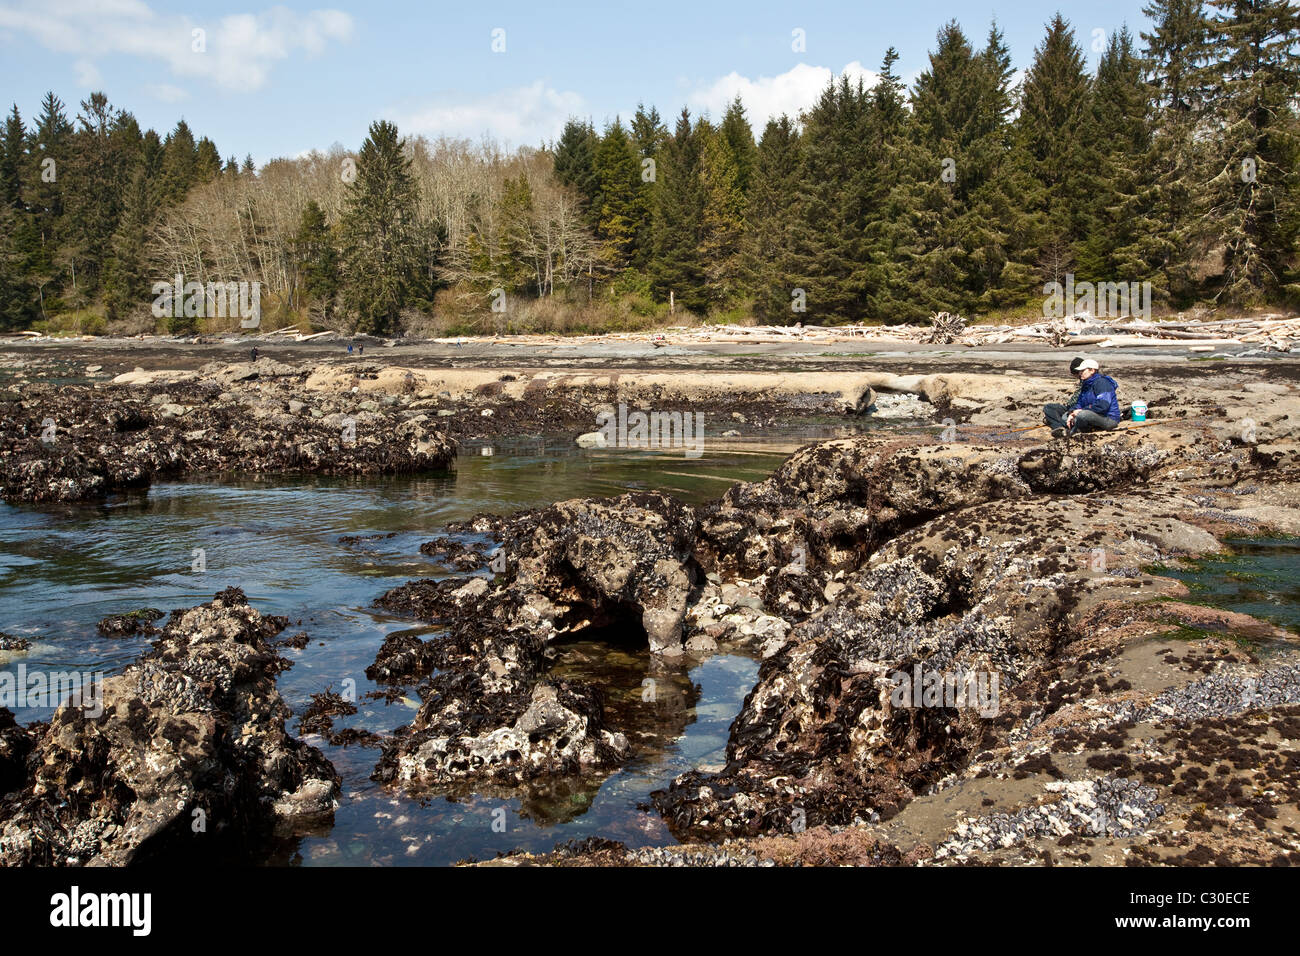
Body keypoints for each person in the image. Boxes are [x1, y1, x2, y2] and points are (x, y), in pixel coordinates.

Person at [1043, 358, 1120, 438]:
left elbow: (1103, 405)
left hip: (1108, 418)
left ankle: (1072, 431)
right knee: (1060, 413)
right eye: (1080, 371)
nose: (1080, 373)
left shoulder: (1102, 383)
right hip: (1090, 414)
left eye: (1082, 371)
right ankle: (1062, 428)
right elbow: (1079, 403)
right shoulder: (1086, 384)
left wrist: (1081, 411)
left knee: (1083, 415)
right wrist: (1072, 412)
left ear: (1092, 371)